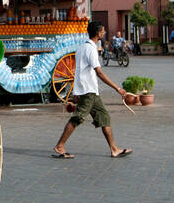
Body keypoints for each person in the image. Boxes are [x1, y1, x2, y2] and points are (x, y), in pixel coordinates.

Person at [53, 20, 133, 159]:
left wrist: (76, 92)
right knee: (78, 118)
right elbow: (99, 72)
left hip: (89, 90)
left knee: (104, 117)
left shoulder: (82, 47)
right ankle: (60, 146)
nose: (104, 32)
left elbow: (78, 71)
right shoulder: (90, 49)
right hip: (88, 91)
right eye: (103, 30)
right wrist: (117, 88)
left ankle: (114, 149)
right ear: (98, 33)